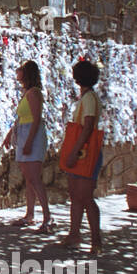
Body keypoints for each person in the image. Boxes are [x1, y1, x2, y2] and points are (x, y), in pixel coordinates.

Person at [59, 58, 103, 255]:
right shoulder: (86, 98)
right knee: (76, 196)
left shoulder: (89, 99)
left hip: (85, 153)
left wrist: (74, 152)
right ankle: (74, 235)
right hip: (81, 152)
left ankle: (96, 241)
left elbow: (88, 127)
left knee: (85, 197)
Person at [2, 59, 50, 230]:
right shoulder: (27, 92)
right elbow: (21, 118)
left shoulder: (34, 93)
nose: (17, 71)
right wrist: (10, 135)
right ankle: (30, 214)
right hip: (24, 133)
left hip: (32, 136)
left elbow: (36, 119)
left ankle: (47, 217)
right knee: (29, 179)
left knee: (34, 178)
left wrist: (29, 142)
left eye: (20, 69)